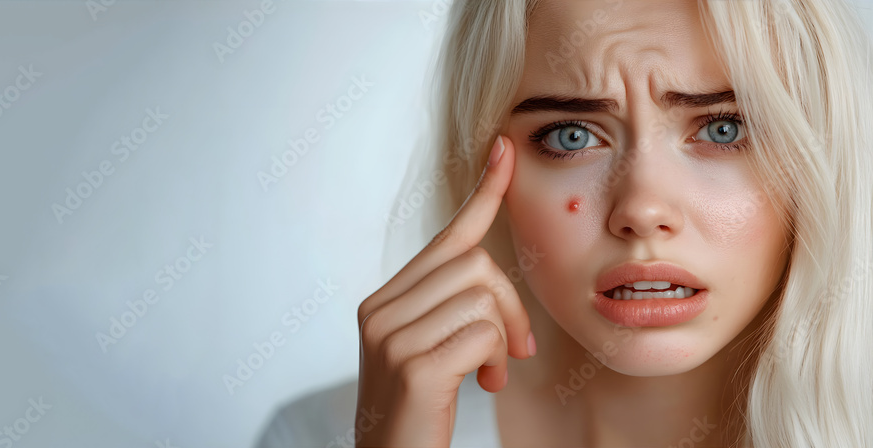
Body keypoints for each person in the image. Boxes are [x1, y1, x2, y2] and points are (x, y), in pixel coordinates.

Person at [255, 0, 873, 446]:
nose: (642, 210)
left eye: (724, 128)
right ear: (486, 165)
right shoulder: (319, 435)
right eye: (572, 136)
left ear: (825, 152)